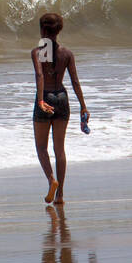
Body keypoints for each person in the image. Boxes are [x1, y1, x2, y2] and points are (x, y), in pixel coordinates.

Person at [31, 13, 88, 205]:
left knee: (41, 147)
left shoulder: (38, 52)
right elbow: (75, 82)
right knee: (59, 150)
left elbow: (40, 76)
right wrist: (83, 106)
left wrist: (40, 100)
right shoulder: (67, 54)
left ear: (42, 30)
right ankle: (60, 195)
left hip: (45, 97)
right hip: (62, 98)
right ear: (59, 30)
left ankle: (51, 180)